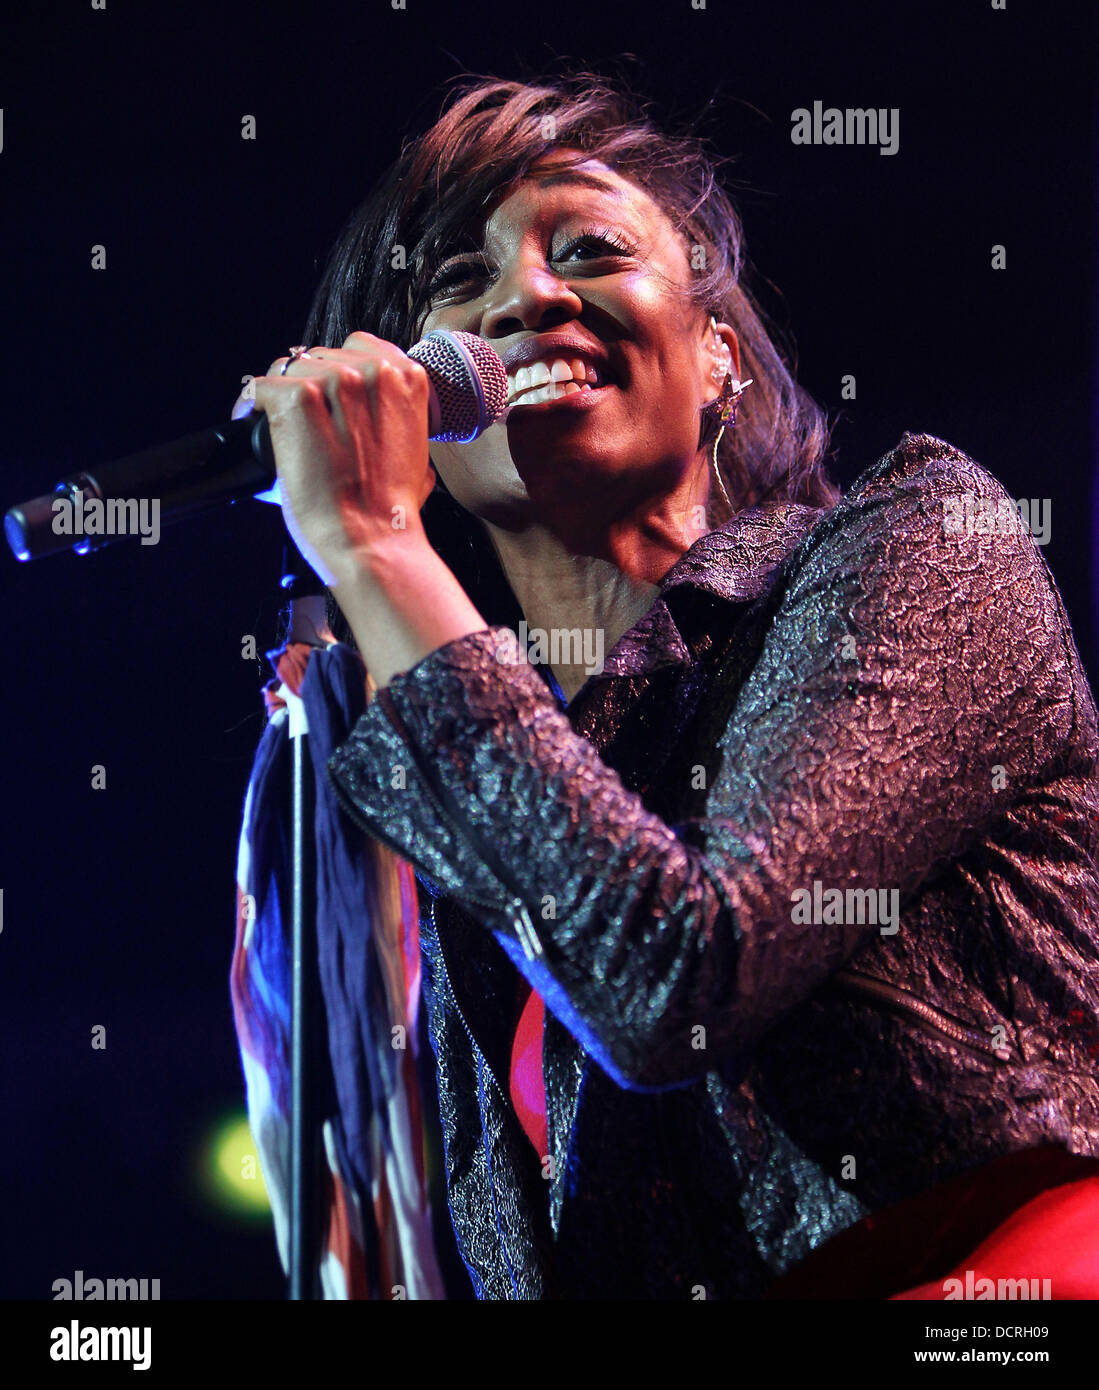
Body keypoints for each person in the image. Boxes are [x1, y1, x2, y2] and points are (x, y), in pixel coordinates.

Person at [237, 73, 1099, 1299]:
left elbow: (681, 975)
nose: (526, 298)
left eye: (590, 249)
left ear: (716, 358)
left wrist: (376, 549)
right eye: (458, 281)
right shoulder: (463, 815)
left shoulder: (924, 543)